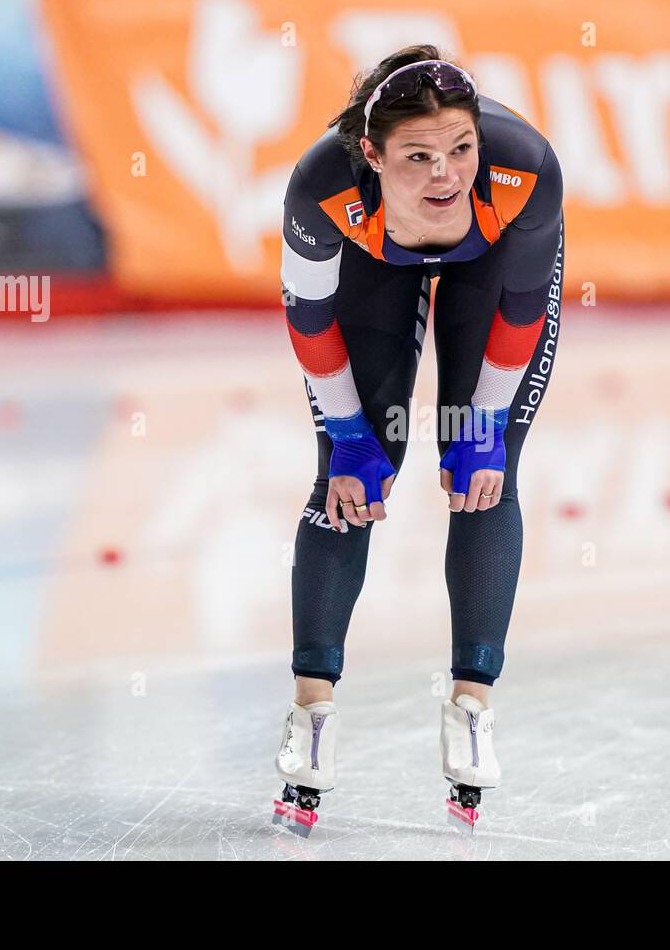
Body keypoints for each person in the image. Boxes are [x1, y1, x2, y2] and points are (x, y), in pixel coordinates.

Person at [272, 44, 564, 827]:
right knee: (352, 476)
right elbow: (309, 318)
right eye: (419, 157)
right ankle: (312, 716)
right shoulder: (323, 187)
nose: (446, 174)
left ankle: (471, 704)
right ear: (371, 153)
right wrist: (348, 433)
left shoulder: (523, 171)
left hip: (494, 270)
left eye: (461, 149)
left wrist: (487, 426)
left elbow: (522, 311)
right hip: (374, 263)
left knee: (483, 473)